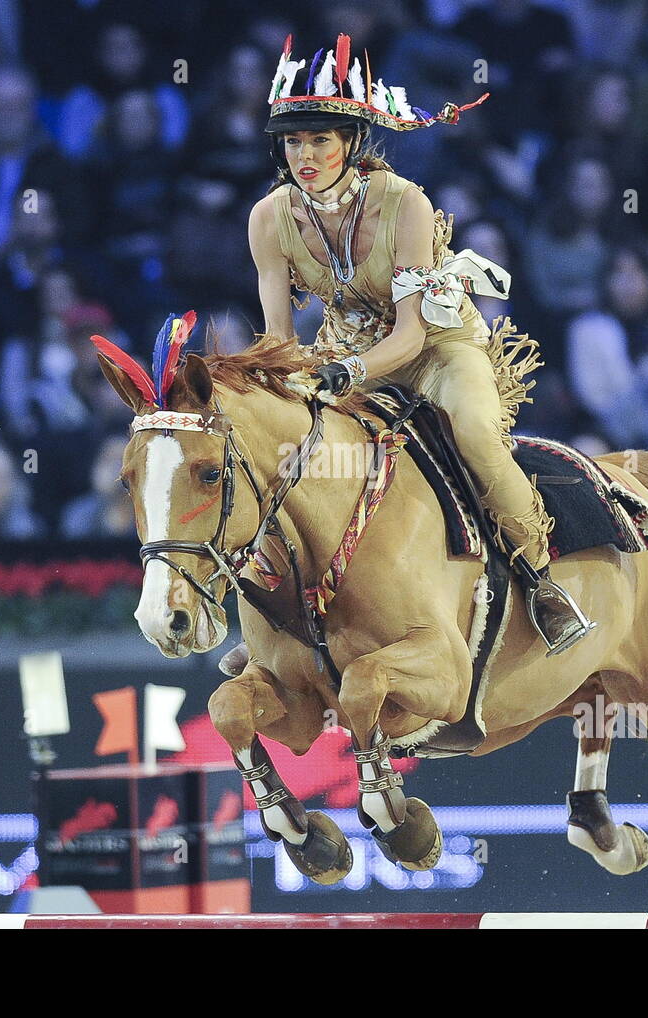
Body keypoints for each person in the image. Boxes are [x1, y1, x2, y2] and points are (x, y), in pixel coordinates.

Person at [246, 34, 594, 655]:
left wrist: (346, 372)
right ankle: (278, 608)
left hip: (436, 347)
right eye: (293, 141)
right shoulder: (267, 218)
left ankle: (541, 580)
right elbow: (279, 336)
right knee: (285, 448)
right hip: (342, 352)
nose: (305, 154)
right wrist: (282, 384)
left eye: (320, 139)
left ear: (352, 141)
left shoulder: (406, 203)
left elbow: (409, 334)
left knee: (476, 437)